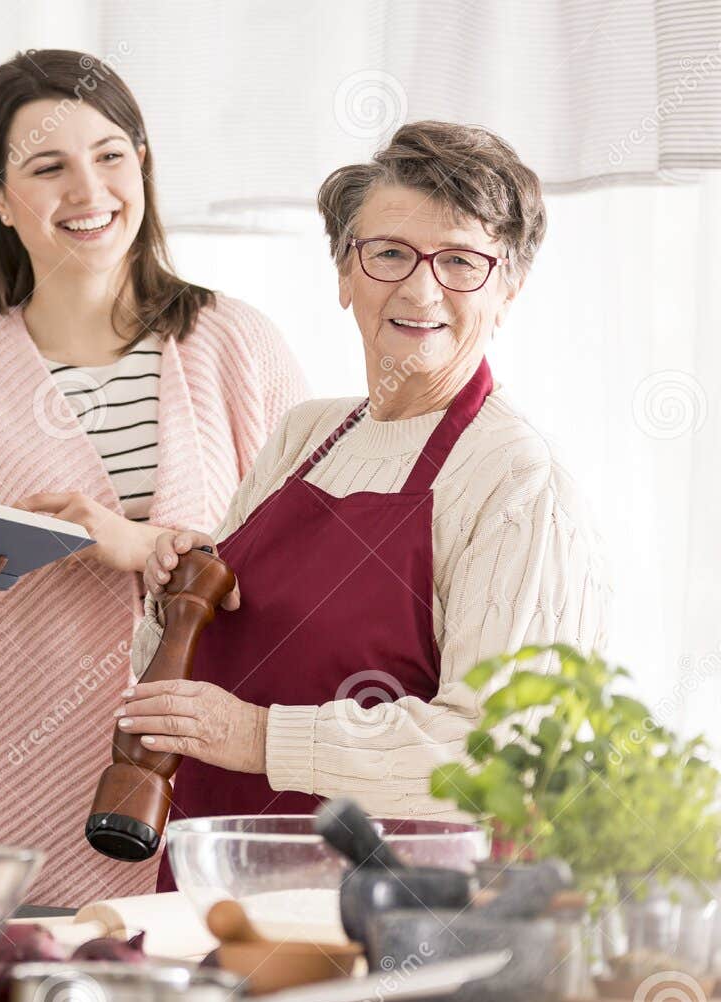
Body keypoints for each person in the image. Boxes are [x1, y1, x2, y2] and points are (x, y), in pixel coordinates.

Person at [0, 51, 307, 905]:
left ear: (143, 160)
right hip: (10, 818)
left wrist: (138, 544)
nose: (89, 190)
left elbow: (304, 586)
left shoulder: (240, 347)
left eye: (109, 155)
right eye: (48, 167)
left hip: (204, 804)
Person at [120, 121, 611, 890]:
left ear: (508, 287)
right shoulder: (305, 434)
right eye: (388, 254)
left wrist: (260, 737)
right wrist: (167, 601)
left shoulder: (519, 482)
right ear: (346, 275)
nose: (420, 290)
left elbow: (498, 757)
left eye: (460, 261)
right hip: (216, 899)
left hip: (381, 936)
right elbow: (202, 665)